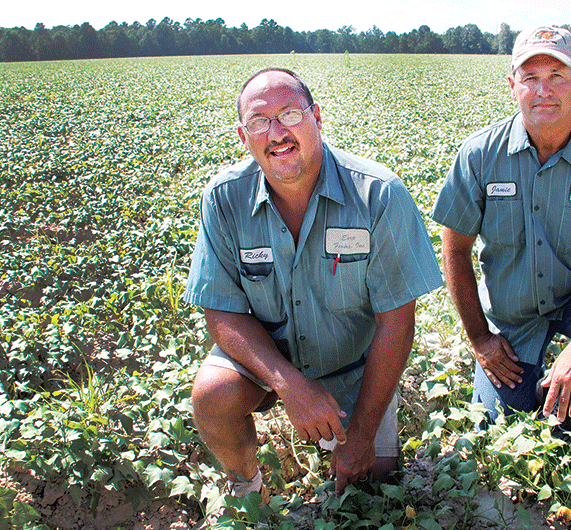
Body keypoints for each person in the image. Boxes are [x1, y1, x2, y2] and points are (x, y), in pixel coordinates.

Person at [185, 68, 443, 498]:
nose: (277, 133)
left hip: (354, 366)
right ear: (244, 136)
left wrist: (361, 435)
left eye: (290, 114)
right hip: (271, 361)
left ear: (317, 118)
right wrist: (290, 385)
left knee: (372, 490)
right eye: (259, 122)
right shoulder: (224, 198)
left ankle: (364, 432)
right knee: (213, 395)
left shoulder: (378, 194)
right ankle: (247, 491)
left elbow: (396, 323)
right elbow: (222, 312)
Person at [431, 26, 571, 426]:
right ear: (512, 85)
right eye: (531, 77)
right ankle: (537, 391)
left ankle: (558, 395)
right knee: (498, 421)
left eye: (557, 76)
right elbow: (455, 248)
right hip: (512, 310)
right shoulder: (480, 155)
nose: (544, 90)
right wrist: (481, 339)